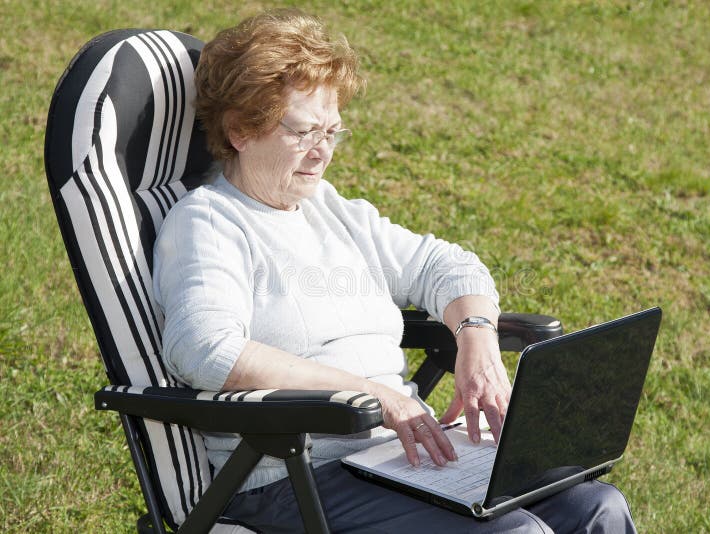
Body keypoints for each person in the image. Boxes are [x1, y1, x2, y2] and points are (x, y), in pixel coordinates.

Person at [153, 8, 636, 533]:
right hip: (291, 475)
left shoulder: (328, 208)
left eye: (333, 131)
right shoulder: (209, 222)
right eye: (304, 131)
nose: (322, 153)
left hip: (392, 458)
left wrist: (476, 340)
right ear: (242, 129)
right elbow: (204, 348)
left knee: (597, 508)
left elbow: (444, 264)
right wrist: (372, 396)